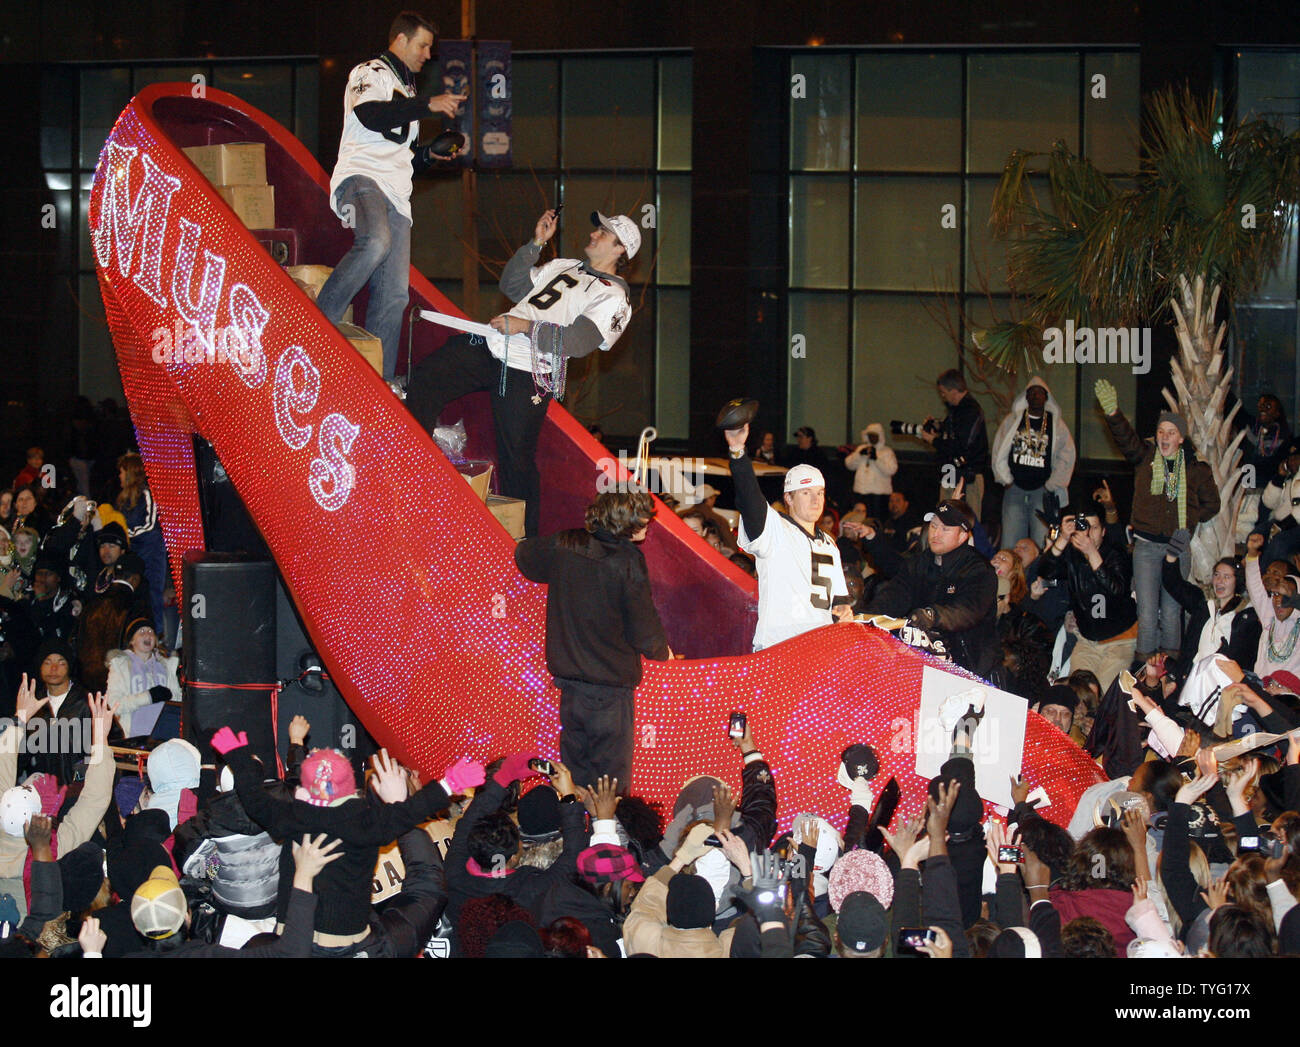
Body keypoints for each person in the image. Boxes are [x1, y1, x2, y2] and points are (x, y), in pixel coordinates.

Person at [407, 209, 638, 538]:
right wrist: (535, 244)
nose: (593, 234)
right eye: (597, 229)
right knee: (427, 377)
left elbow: (577, 342)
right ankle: (410, 468)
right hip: (492, 344)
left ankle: (522, 543)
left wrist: (525, 326)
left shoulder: (614, 297)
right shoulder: (564, 265)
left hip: (529, 371)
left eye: (603, 233)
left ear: (620, 249)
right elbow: (511, 285)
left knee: (516, 461)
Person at [315, 11, 467, 379]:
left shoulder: (409, 93)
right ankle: (316, 324)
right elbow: (370, 115)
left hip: (398, 196)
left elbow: (405, 159)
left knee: (396, 294)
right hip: (361, 178)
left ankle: (377, 380)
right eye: (423, 46)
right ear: (400, 39)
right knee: (375, 241)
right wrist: (428, 105)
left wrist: (430, 155)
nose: (428, 55)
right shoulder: (370, 72)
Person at [514, 491, 670, 789]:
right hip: (609, 689)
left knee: (574, 778)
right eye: (644, 519)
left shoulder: (566, 544)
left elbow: (524, 557)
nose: (648, 524)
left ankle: (574, 818)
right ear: (625, 521)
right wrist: (661, 652)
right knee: (610, 787)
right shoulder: (627, 560)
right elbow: (642, 624)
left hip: (570, 687)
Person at [1095, 380, 1220, 661]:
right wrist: (1113, 413)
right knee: (1148, 613)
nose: (1164, 437)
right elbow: (1126, 439)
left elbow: (1212, 504)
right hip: (1147, 548)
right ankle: (1144, 669)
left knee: (1173, 611)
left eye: (1171, 433)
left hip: (1178, 549)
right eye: (1161, 431)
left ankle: (1170, 670)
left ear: (1181, 438)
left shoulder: (1196, 469)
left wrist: (1189, 522)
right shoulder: (1145, 458)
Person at [723, 421, 854, 651]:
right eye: (806, 493)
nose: (816, 500)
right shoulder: (775, 530)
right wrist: (738, 453)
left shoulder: (829, 543)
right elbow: (749, 500)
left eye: (820, 493)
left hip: (819, 649)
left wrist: (844, 609)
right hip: (779, 647)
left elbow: (839, 599)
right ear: (789, 498)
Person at [860, 499, 999, 678]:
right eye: (934, 526)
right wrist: (864, 618)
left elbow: (969, 610)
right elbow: (894, 596)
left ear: (963, 536)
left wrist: (933, 615)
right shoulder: (919, 563)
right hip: (923, 661)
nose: (936, 533)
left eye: (945, 529)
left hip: (971, 666)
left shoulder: (979, 570)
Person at [1033, 500, 1138, 689]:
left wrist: (1091, 553)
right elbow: (1045, 571)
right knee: (1079, 693)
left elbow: (1116, 590)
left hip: (1120, 640)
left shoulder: (1115, 553)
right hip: (1087, 640)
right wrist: (1063, 538)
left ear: (1103, 531)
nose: (1088, 533)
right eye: (1084, 527)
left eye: (1094, 528)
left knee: (1104, 690)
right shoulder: (1072, 554)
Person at [991, 377, 1076, 548]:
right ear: (1026, 397)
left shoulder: (1056, 425)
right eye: (1032, 393)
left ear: (1047, 397)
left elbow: (1067, 456)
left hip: (1042, 492)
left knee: (1042, 542)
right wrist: (1005, 479)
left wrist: (1052, 484)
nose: (1036, 396)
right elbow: (998, 449)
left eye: (1040, 393)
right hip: (1014, 490)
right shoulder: (1013, 420)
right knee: (1011, 541)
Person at [917, 369, 989, 519]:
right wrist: (937, 426)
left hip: (968, 476)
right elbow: (953, 434)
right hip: (951, 473)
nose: (942, 397)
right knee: (945, 518)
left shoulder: (970, 411)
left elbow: (961, 445)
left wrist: (933, 440)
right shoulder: (956, 411)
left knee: (967, 521)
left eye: (943, 393)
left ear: (954, 391)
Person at [116, 453, 168, 638]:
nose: (119, 476)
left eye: (122, 472)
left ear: (130, 473)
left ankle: (157, 635)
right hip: (135, 551)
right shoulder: (124, 500)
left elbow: (150, 524)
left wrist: (127, 534)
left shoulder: (147, 493)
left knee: (152, 592)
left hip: (151, 551)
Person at [843, 424, 897, 522]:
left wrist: (877, 460)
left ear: (880, 436)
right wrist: (858, 455)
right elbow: (849, 465)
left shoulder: (887, 452)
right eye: (870, 435)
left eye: (874, 435)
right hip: (860, 492)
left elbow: (891, 470)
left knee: (876, 521)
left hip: (879, 495)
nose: (872, 438)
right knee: (859, 519)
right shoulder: (862, 448)